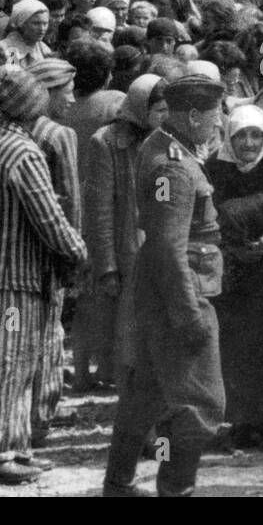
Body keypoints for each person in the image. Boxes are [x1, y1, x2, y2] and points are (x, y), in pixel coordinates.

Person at [0, 66, 87, 484]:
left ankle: (13, 446)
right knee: (10, 365)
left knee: (7, 361)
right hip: (12, 281)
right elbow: (49, 218)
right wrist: (77, 251)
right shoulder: (23, 152)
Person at [103, 75, 228, 497]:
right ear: (192, 116)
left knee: (147, 395)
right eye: (215, 116)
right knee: (199, 405)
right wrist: (188, 314)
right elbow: (167, 246)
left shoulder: (164, 146)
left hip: (163, 293)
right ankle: (176, 489)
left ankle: (118, 485)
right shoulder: (173, 166)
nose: (219, 123)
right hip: (180, 294)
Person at [206, 104, 263, 453]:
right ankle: (242, 421)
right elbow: (208, 215)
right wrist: (233, 248)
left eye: (256, 134)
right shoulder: (215, 168)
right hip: (234, 273)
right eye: (241, 134)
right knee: (237, 347)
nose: (248, 142)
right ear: (230, 136)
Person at [81, 75, 169, 391]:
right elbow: (99, 210)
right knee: (128, 335)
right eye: (158, 109)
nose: (164, 116)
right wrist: (106, 265)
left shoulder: (169, 141)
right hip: (128, 251)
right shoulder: (105, 142)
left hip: (163, 248)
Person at [24, 58, 82, 447]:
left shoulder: (16, 129)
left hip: (23, 246)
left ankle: (30, 410)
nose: (73, 99)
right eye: (67, 91)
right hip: (54, 244)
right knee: (50, 331)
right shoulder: (58, 134)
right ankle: (42, 412)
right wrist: (74, 253)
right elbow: (72, 199)